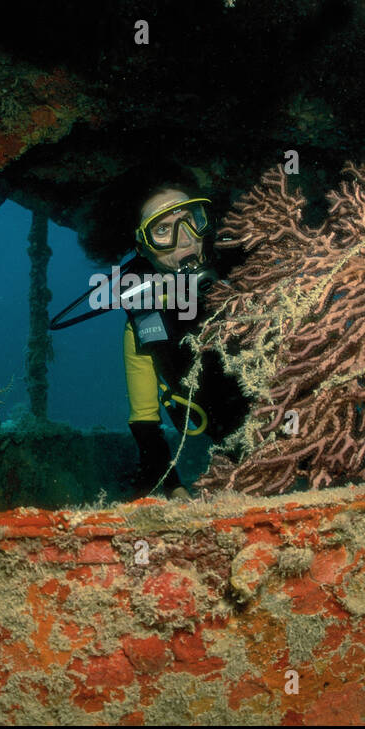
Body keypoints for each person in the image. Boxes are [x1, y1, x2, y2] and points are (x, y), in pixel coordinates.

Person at [123, 173, 248, 501]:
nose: (185, 239)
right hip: (226, 440)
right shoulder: (145, 319)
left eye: (190, 220)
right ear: (143, 247)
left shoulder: (250, 272)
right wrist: (172, 484)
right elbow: (144, 417)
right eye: (162, 229)